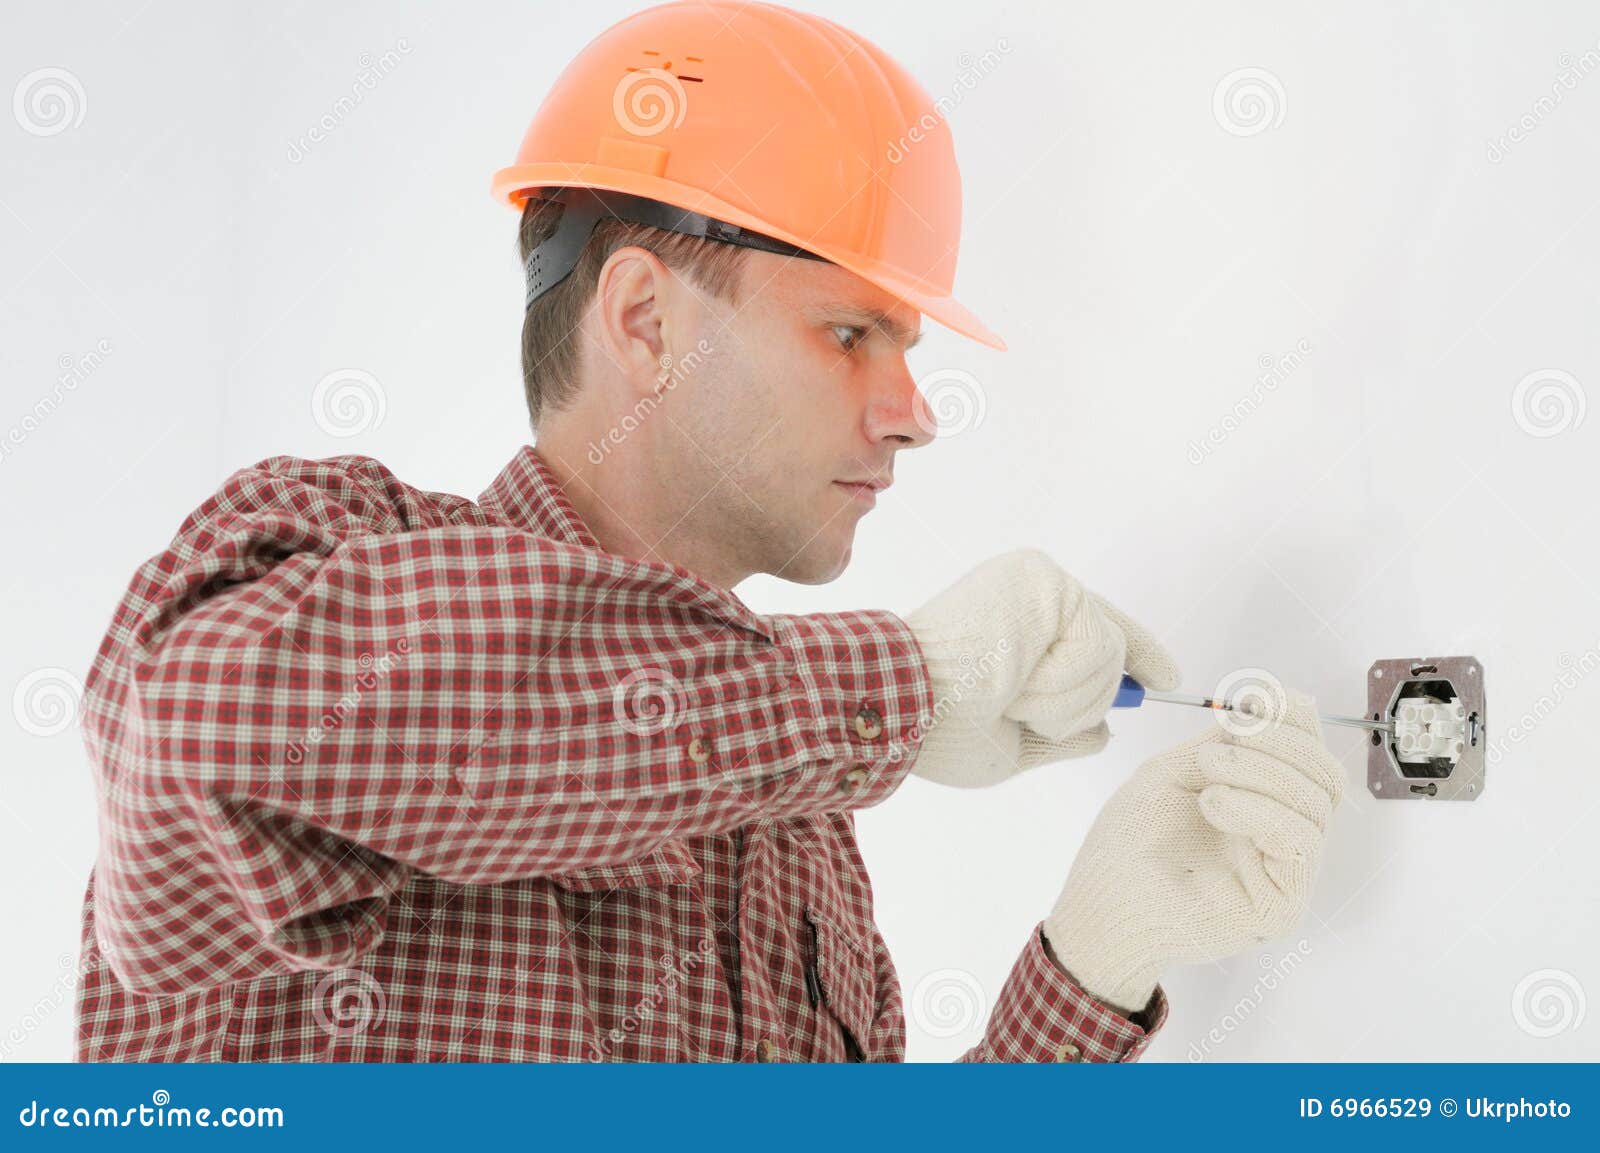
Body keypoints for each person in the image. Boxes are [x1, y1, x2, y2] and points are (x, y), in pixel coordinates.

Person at [74, 0, 1342, 1063]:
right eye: (850, 334)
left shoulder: (796, 829)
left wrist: (1096, 959)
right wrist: (899, 684)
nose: (913, 414)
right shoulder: (317, 543)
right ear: (643, 320)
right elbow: (210, 737)